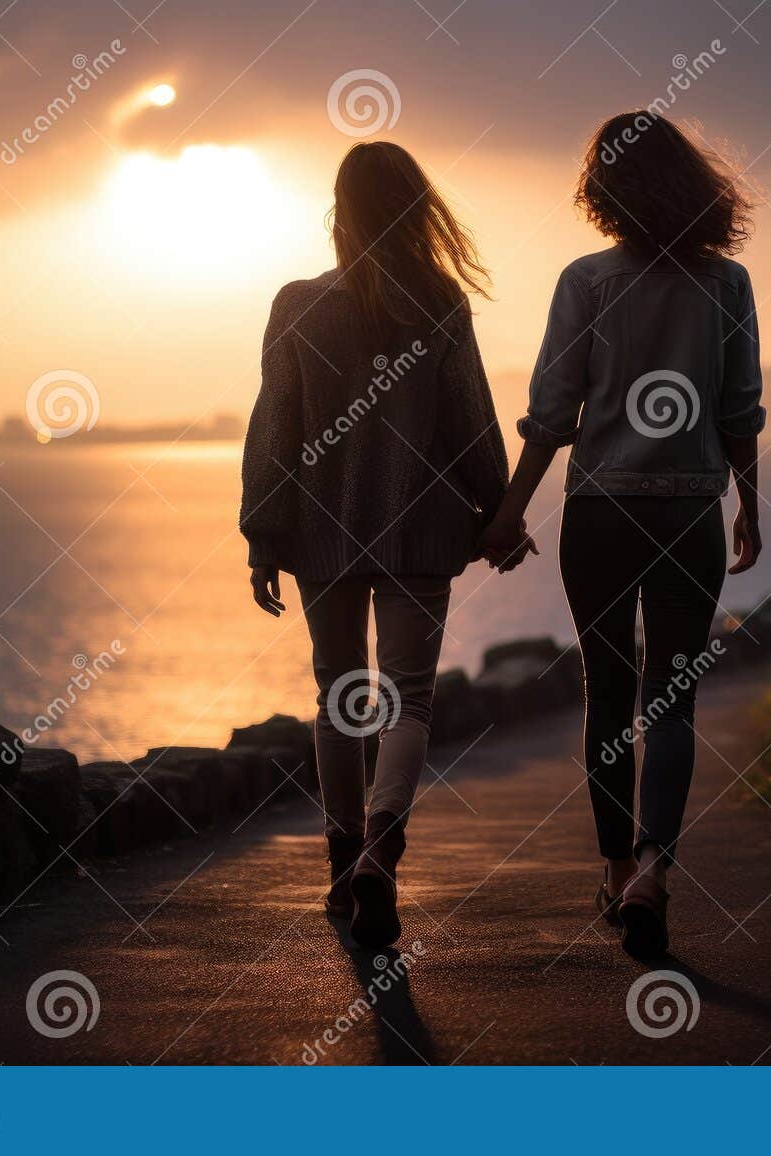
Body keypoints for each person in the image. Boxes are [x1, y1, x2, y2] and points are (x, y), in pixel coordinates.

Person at [480, 111, 764, 957]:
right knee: (672, 696)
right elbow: (740, 409)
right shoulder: (728, 284)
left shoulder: (586, 281)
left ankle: (612, 875)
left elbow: (551, 414)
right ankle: (653, 871)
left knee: (608, 689)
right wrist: (748, 501)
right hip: (689, 511)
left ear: (602, 188)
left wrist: (509, 509)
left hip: (601, 510)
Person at [239, 141, 529, 949]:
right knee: (408, 699)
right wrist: (497, 512)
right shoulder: (437, 301)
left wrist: (263, 534)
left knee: (339, 695)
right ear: (415, 209)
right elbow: (469, 421)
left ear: (341, 211)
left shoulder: (296, 304)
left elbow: (275, 433)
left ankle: (343, 869)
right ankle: (380, 854)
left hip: (319, 528)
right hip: (420, 527)